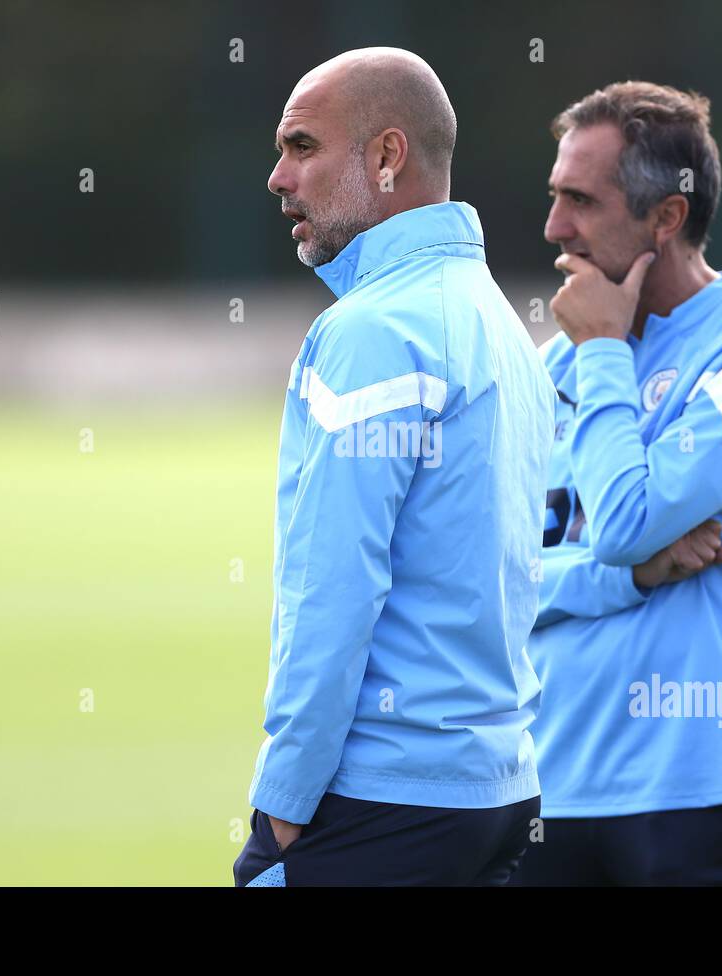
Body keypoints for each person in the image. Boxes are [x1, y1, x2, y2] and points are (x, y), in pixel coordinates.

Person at [232, 47, 557, 886]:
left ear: (385, 157)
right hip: (498, 792)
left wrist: (285, 801)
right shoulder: (501, 324)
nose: (278, 176)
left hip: (380, 800)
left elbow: (334, 586)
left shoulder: (373, 330)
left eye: (302, 147)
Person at [512, 82, 722, 886]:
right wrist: (631, 576)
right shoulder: (550, 370)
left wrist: (603, 355)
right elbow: (495, 584)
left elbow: (622, 521)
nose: (555, 228)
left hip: (702, 808)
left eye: (582, 201)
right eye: (555, 197)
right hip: (545, 808)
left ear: (667, 217)